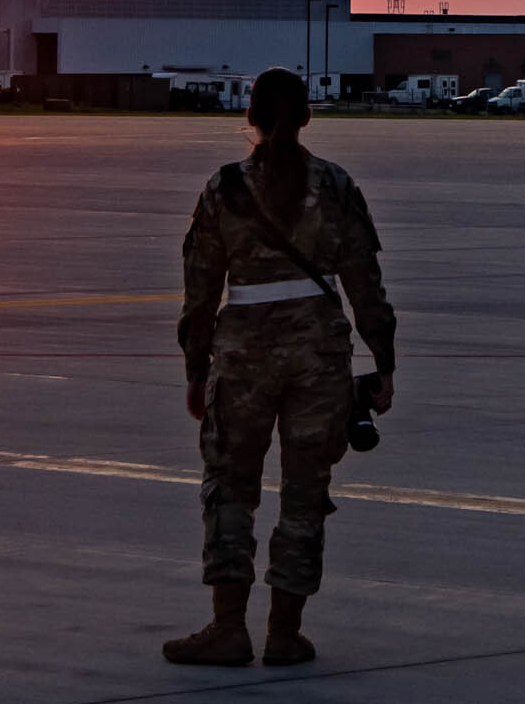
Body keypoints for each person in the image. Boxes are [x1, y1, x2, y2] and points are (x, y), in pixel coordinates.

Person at [163, 67, 397, 667]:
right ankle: (285, 632)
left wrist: (195, 369)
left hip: (243, 357)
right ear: (306, 116)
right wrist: (384, 358)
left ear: (252, 116)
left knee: (230, 486)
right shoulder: (337, 186)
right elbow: (364, 281)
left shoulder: (224, 190)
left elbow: (199, 289)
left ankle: (228, 626)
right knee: (305, 493)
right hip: (319, 357)